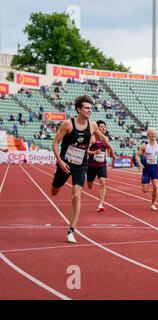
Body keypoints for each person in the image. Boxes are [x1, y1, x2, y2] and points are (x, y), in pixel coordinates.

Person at [51, 95, 115, 243]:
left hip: (81, 165)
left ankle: (71, 230)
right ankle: (56, 179)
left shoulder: (92, 125)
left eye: (91, 108)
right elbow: (55, 143)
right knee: (54, 191)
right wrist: (60, 161)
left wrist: (110, 147)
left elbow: (103, 138)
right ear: (79, 109)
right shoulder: (68, 124)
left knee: (76, 194)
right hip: (65, 164)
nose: (89, 110)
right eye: (87, 108)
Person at [135, 128, 158, 211]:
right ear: (148, 135)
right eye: (152, 134)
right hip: (146, 168)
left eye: (155, 134)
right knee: (144, 190)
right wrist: (140, 164)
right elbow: (137, 156)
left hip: (154, 168)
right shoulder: (144, 145)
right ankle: (146, 181)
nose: (154, 135)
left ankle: (153, 204)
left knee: (156, 187)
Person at [86, 120, 111, 213]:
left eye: (104, 126)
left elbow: (107, 149)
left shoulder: (106, 139)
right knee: (89, 185)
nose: (103, 128)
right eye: (101, 126)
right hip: (91, 165)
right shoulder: (92, 138)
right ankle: (89, 180)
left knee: (103, 182)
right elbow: (86, 151)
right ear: (97, 128)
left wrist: (108, 154)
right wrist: (94, 152)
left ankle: (100, 204)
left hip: (102, 165)